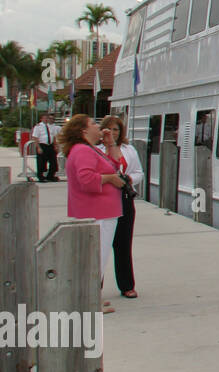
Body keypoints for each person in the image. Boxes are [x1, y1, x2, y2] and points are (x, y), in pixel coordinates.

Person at [60, 115, 125, 314]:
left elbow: (118, 163)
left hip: (100, 211)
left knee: (97, 257)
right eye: (93, 124)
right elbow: (86, 179)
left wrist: (111, 143)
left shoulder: (90, 149)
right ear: (83, 131)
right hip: (97, 213)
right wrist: (111, 179)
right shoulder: (82, 151)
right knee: (96, 258)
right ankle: (89, 303)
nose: (99, 127)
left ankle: (92, 295)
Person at [96, 115, 143, 299]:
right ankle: (95, 284)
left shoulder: (128, 149)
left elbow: (139, 172)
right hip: (103, 199)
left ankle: (126, 285)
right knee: (100, 243)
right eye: (109, 129)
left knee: (123, 244)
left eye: (116, 129)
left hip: (124, 198)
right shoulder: (96, 150)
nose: (113, 133)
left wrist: (129, 179)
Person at [32, 112, 58, 181]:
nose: (46, 119)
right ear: (41, 119)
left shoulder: (51, 126)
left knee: (53, 162)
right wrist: (38, 147)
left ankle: (50, 176)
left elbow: (54, 136)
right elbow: (35, 137)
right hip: (42, 145)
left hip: (50, 145)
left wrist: (55, 146)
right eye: (45, 118)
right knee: (41, 162)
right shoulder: (38, 127)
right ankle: (41, 176)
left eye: (47, 118)